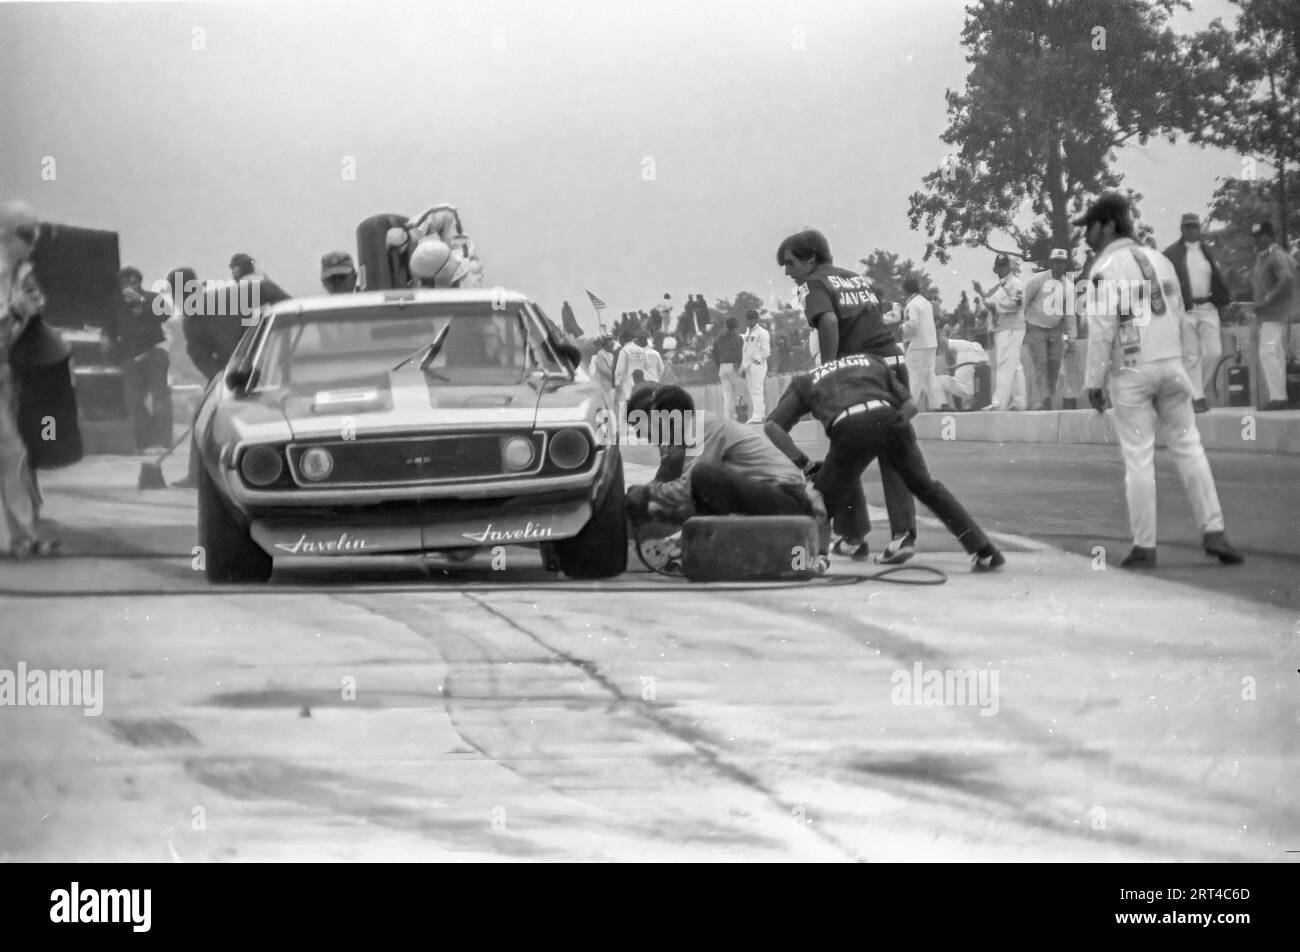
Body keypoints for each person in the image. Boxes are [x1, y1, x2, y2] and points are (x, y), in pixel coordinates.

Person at [1078, 192, 1243, 568]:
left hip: (1132, 371)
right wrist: (1184, 369)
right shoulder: (1162, 260)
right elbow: (1182, 319)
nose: (1086, 234)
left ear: (1107, 224)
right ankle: (1214, 530)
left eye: (1090, 226)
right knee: (1190, 448)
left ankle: (1145, 546)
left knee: (1139, 458)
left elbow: (1101, 331)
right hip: (1171, 366)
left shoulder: (1104, 271)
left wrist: (1093, 381)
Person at [764, 352, 1004, 572]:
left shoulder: (805, 380)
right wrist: (892, 434)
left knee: (819, 499)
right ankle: (985, 551)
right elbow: (911, 406)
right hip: (890, 419)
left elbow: (772, 426)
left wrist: (804, 464)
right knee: (928, 487)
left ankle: (810, 560)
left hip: (849, 428)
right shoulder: (872, 360)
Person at [778, 227, 918, 564]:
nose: (787, 271)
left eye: (790, 262)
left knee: (846, 448)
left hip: (862, 372)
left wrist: (829, 371)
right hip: (893, 364)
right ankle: (900, 535)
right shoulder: (856, 279)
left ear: (810, 258)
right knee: (895, 449)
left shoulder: (814, 284)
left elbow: (827, 322)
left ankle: (855, 535)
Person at [624, 385, 826, 567]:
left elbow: (687, 487)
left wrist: (648, 492)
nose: (642, 436)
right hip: (777, 496)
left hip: (787, 498)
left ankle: (702, 551)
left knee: (702, 476)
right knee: (702, 485)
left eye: (641, 426)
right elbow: (692, 499)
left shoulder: (699, 428)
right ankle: (704, 553)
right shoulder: (691, 434)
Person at [0, 200, 59, 557]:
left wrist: (26, 307)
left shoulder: (20, 273)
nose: (32, 240)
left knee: (13, 453)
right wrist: (12, 311)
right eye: (26, 233)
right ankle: (22, 535)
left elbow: (33, 307)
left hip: (6, 372)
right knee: (11, 452)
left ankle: (22, 535)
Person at [1163, 213, 1231, 413]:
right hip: (1186, 309)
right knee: (1191, 355)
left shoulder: (1207, 251)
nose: (1191, 230)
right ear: (1182, 229)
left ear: (1199, 228)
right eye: (1188, 226)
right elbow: (1165, 283)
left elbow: (1218, 278)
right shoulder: (1171, 254)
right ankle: (1197, 396)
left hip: (1208, 306)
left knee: (1214, 351)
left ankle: (1194, 389)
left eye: (1195, 226)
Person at [115, 266, 173, 454]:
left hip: (154, 354)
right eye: (122, 283)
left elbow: (165, 313)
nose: (126, 286)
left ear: (136, 282)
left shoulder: (152, 298)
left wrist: (141, 300)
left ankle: (162, 443)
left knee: (159, 399)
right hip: (130, 357)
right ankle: (144, 441)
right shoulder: (117, 304)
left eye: (129, 282)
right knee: (134, 400)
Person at [1250, 220, 1298, 411]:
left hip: (1275, 311)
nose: (1257, 240)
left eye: (1261, 236)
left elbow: (1286, 279)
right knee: (1275, 352)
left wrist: (1267, 299)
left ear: (1270, 237)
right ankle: (1280, 396)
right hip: (1276, 312)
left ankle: (1278, 397)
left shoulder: (1275, 256)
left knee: (1268, 352)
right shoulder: (1264, 257)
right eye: (1255, 237)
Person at [1022, 248, 1076, 409]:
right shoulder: (1038, 280)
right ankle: (1043, 401)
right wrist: (1020, 327)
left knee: (1055, 363)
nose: (1059, 266)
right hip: (1036, 326)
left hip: (1055, 328)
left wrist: (1072, 338)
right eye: (1056, 262)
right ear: (1051, 263)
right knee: (1041, 363)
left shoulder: (1069, 286)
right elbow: (1023, 302)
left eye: (1062, 263)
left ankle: (1049, 396)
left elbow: (1071, 314)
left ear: (1065, 264)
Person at [974, 253, 1028, 410]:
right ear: (995, 268)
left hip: (1011, 328)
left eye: (1005, 266)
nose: (1002, 269)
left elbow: (1018, 304)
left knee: (1004, 364)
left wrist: (997, 307)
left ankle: (999, 403)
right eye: (999, 266)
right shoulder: (1000, 288)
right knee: (1014, 365)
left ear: (1009, 267)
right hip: (1003, 329)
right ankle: (1019, 402)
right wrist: (981, 293)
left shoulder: (1015, 283)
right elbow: (990, 305)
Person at [900, 276, 939, 410]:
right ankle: (938, 406)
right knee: (929, 378)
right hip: (930, 344)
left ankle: (908, 410)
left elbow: (912, 325)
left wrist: (901, 330)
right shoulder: (926, 302)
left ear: (905, 290)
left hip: (918, 346)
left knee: (912, 377)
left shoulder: (911, 305)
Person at [711, 316, 745, 420]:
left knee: (727, 395)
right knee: (740, 392)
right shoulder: (738, 338)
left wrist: (719, 366)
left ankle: (728, 419)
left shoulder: (719, 337)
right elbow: (740, 353)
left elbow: (714, 353)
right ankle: (742, 415)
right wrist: (741, 368)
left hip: (722, 367)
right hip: (734, 366)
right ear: (736, 327)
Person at [739, 309, 770, 423]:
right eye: (748, 318)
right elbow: (745, 351)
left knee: (757, 390)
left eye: (752, 318)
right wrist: (743, 367)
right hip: (747, 366)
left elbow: (766, 351)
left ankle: (758, 415)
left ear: (757, 319)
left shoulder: (762, 332)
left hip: (758, 365)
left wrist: (757, 361)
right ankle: (758, 414)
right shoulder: (747, 333)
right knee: (752, 391)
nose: (750, 321)